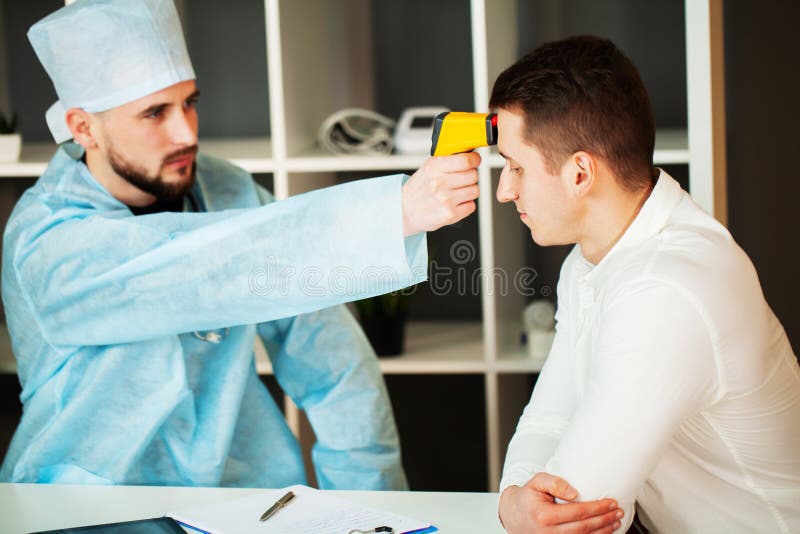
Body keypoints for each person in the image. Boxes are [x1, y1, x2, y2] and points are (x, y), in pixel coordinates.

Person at [0, 0, 481, 488]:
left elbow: (332, 358)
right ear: (84, 128)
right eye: (154, 113)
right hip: (84, 505)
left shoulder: (224, 189)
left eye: (190, 102)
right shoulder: (46, 241)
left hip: (236, 498)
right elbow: (205, 267)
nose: (186, 133)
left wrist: (373, 500)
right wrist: (393, 213)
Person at [492, 36, 800, 533]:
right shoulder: (590, 262)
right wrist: (512, 501)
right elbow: (550, 417)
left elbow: (582, 510)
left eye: (516, 167)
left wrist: (525, 511)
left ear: (580, 173)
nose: (505, 191)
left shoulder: (666, 290)